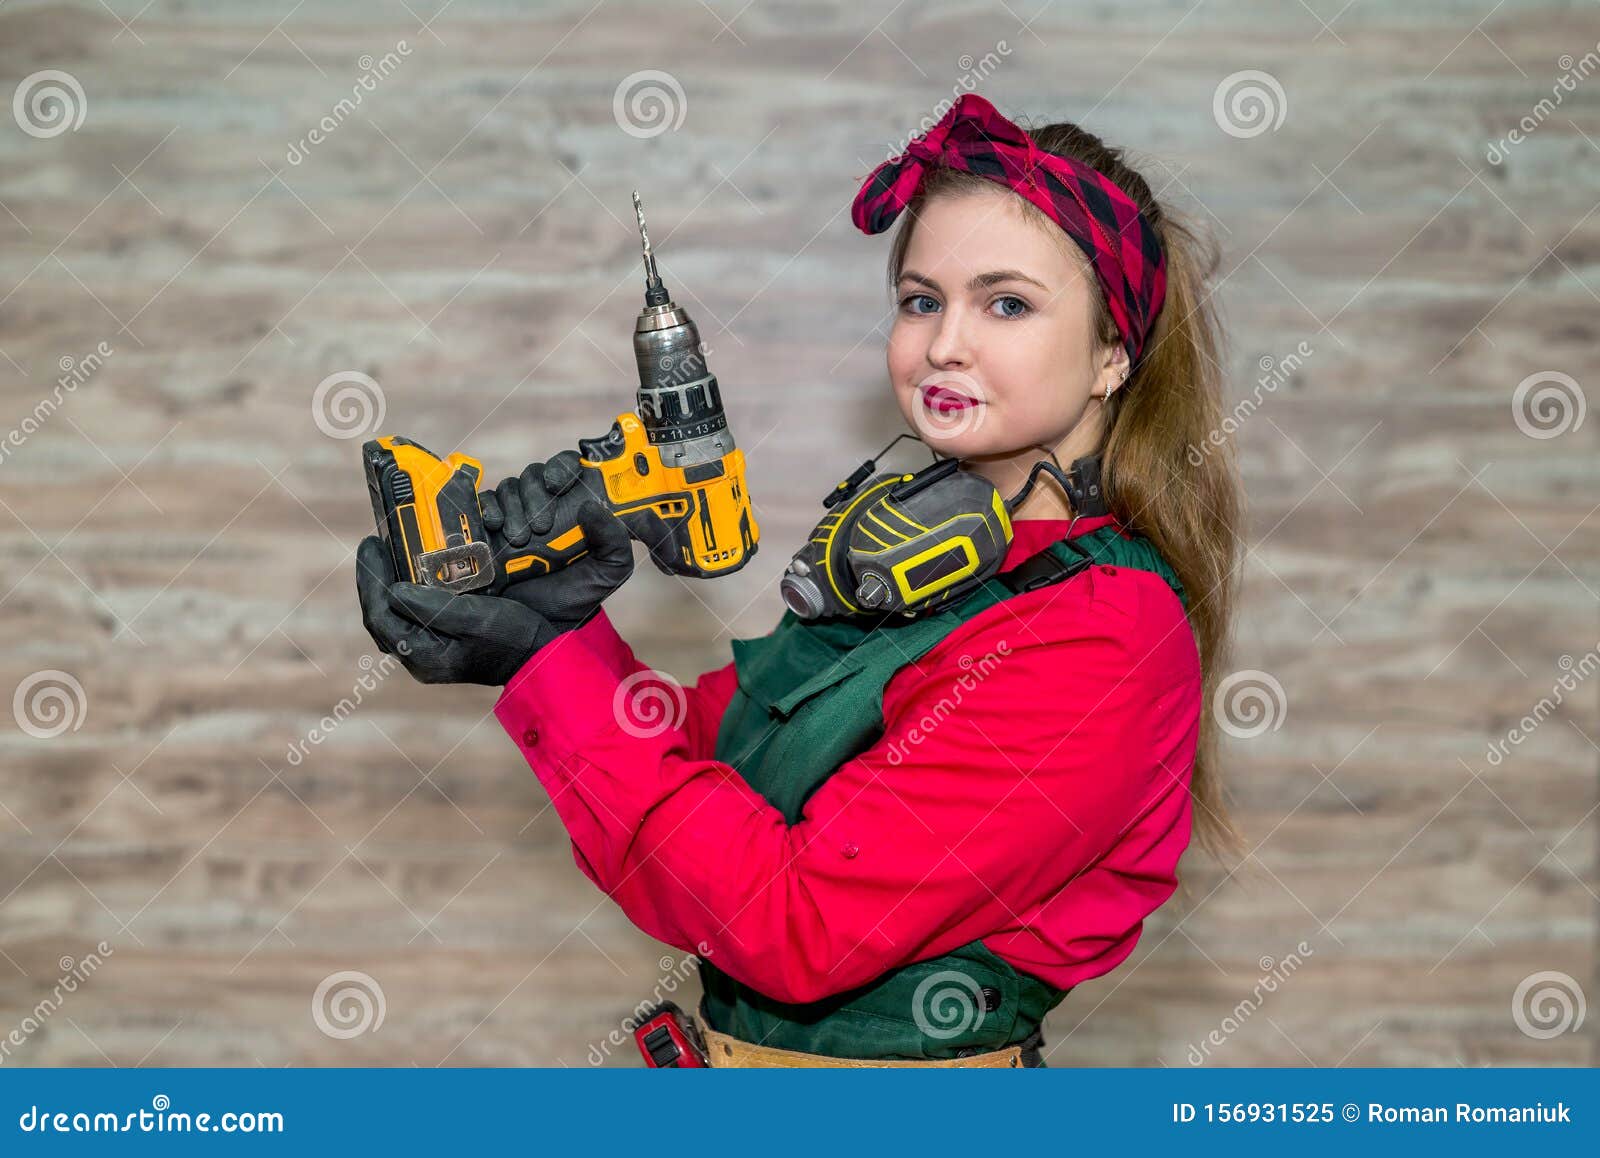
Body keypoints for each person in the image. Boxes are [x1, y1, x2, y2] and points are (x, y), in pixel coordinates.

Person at [356, 93, 1245, 1068]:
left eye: (1006, 303)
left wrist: (545, 670)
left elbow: (793, 923)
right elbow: (727, 754)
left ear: (1112, 355)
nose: (944, 343)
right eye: (920, 300)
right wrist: (557, 641)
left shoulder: (1100, 633)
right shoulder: (924, 560)